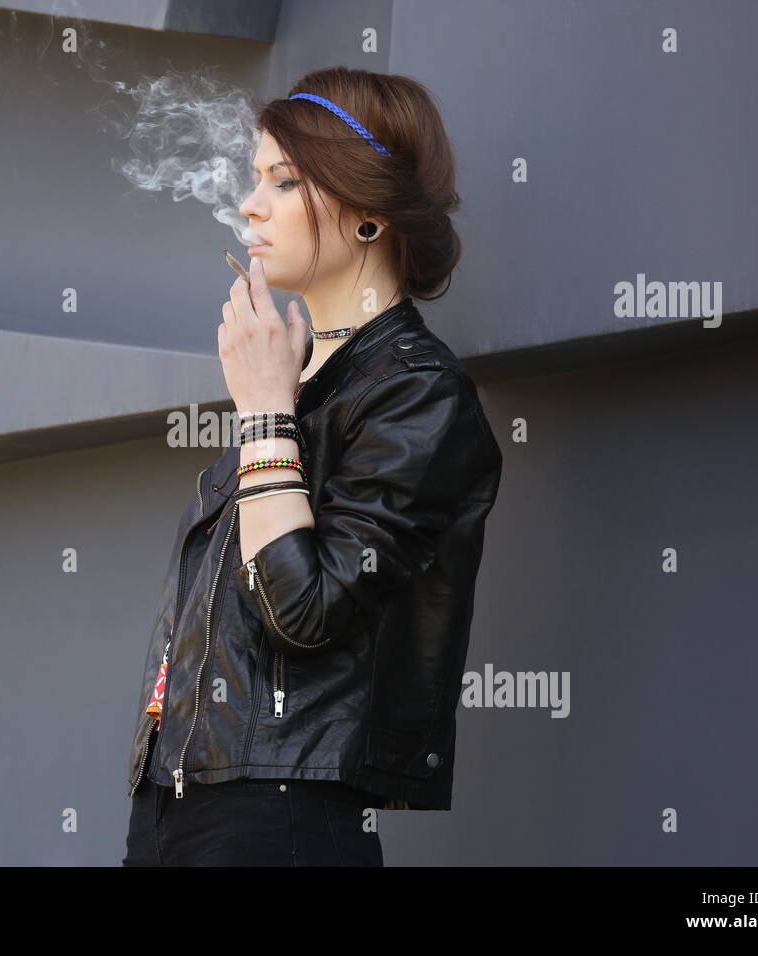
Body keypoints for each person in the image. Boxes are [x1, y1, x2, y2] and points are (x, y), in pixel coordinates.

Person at [122, 66, 503, 866]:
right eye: (255, 178)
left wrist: (263, 413)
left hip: (277, 821)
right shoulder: (296, 380)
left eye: (284, 181)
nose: (249, 205)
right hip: (176, 806)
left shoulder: (417, 395)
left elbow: (303, 611)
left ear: (367, 210)